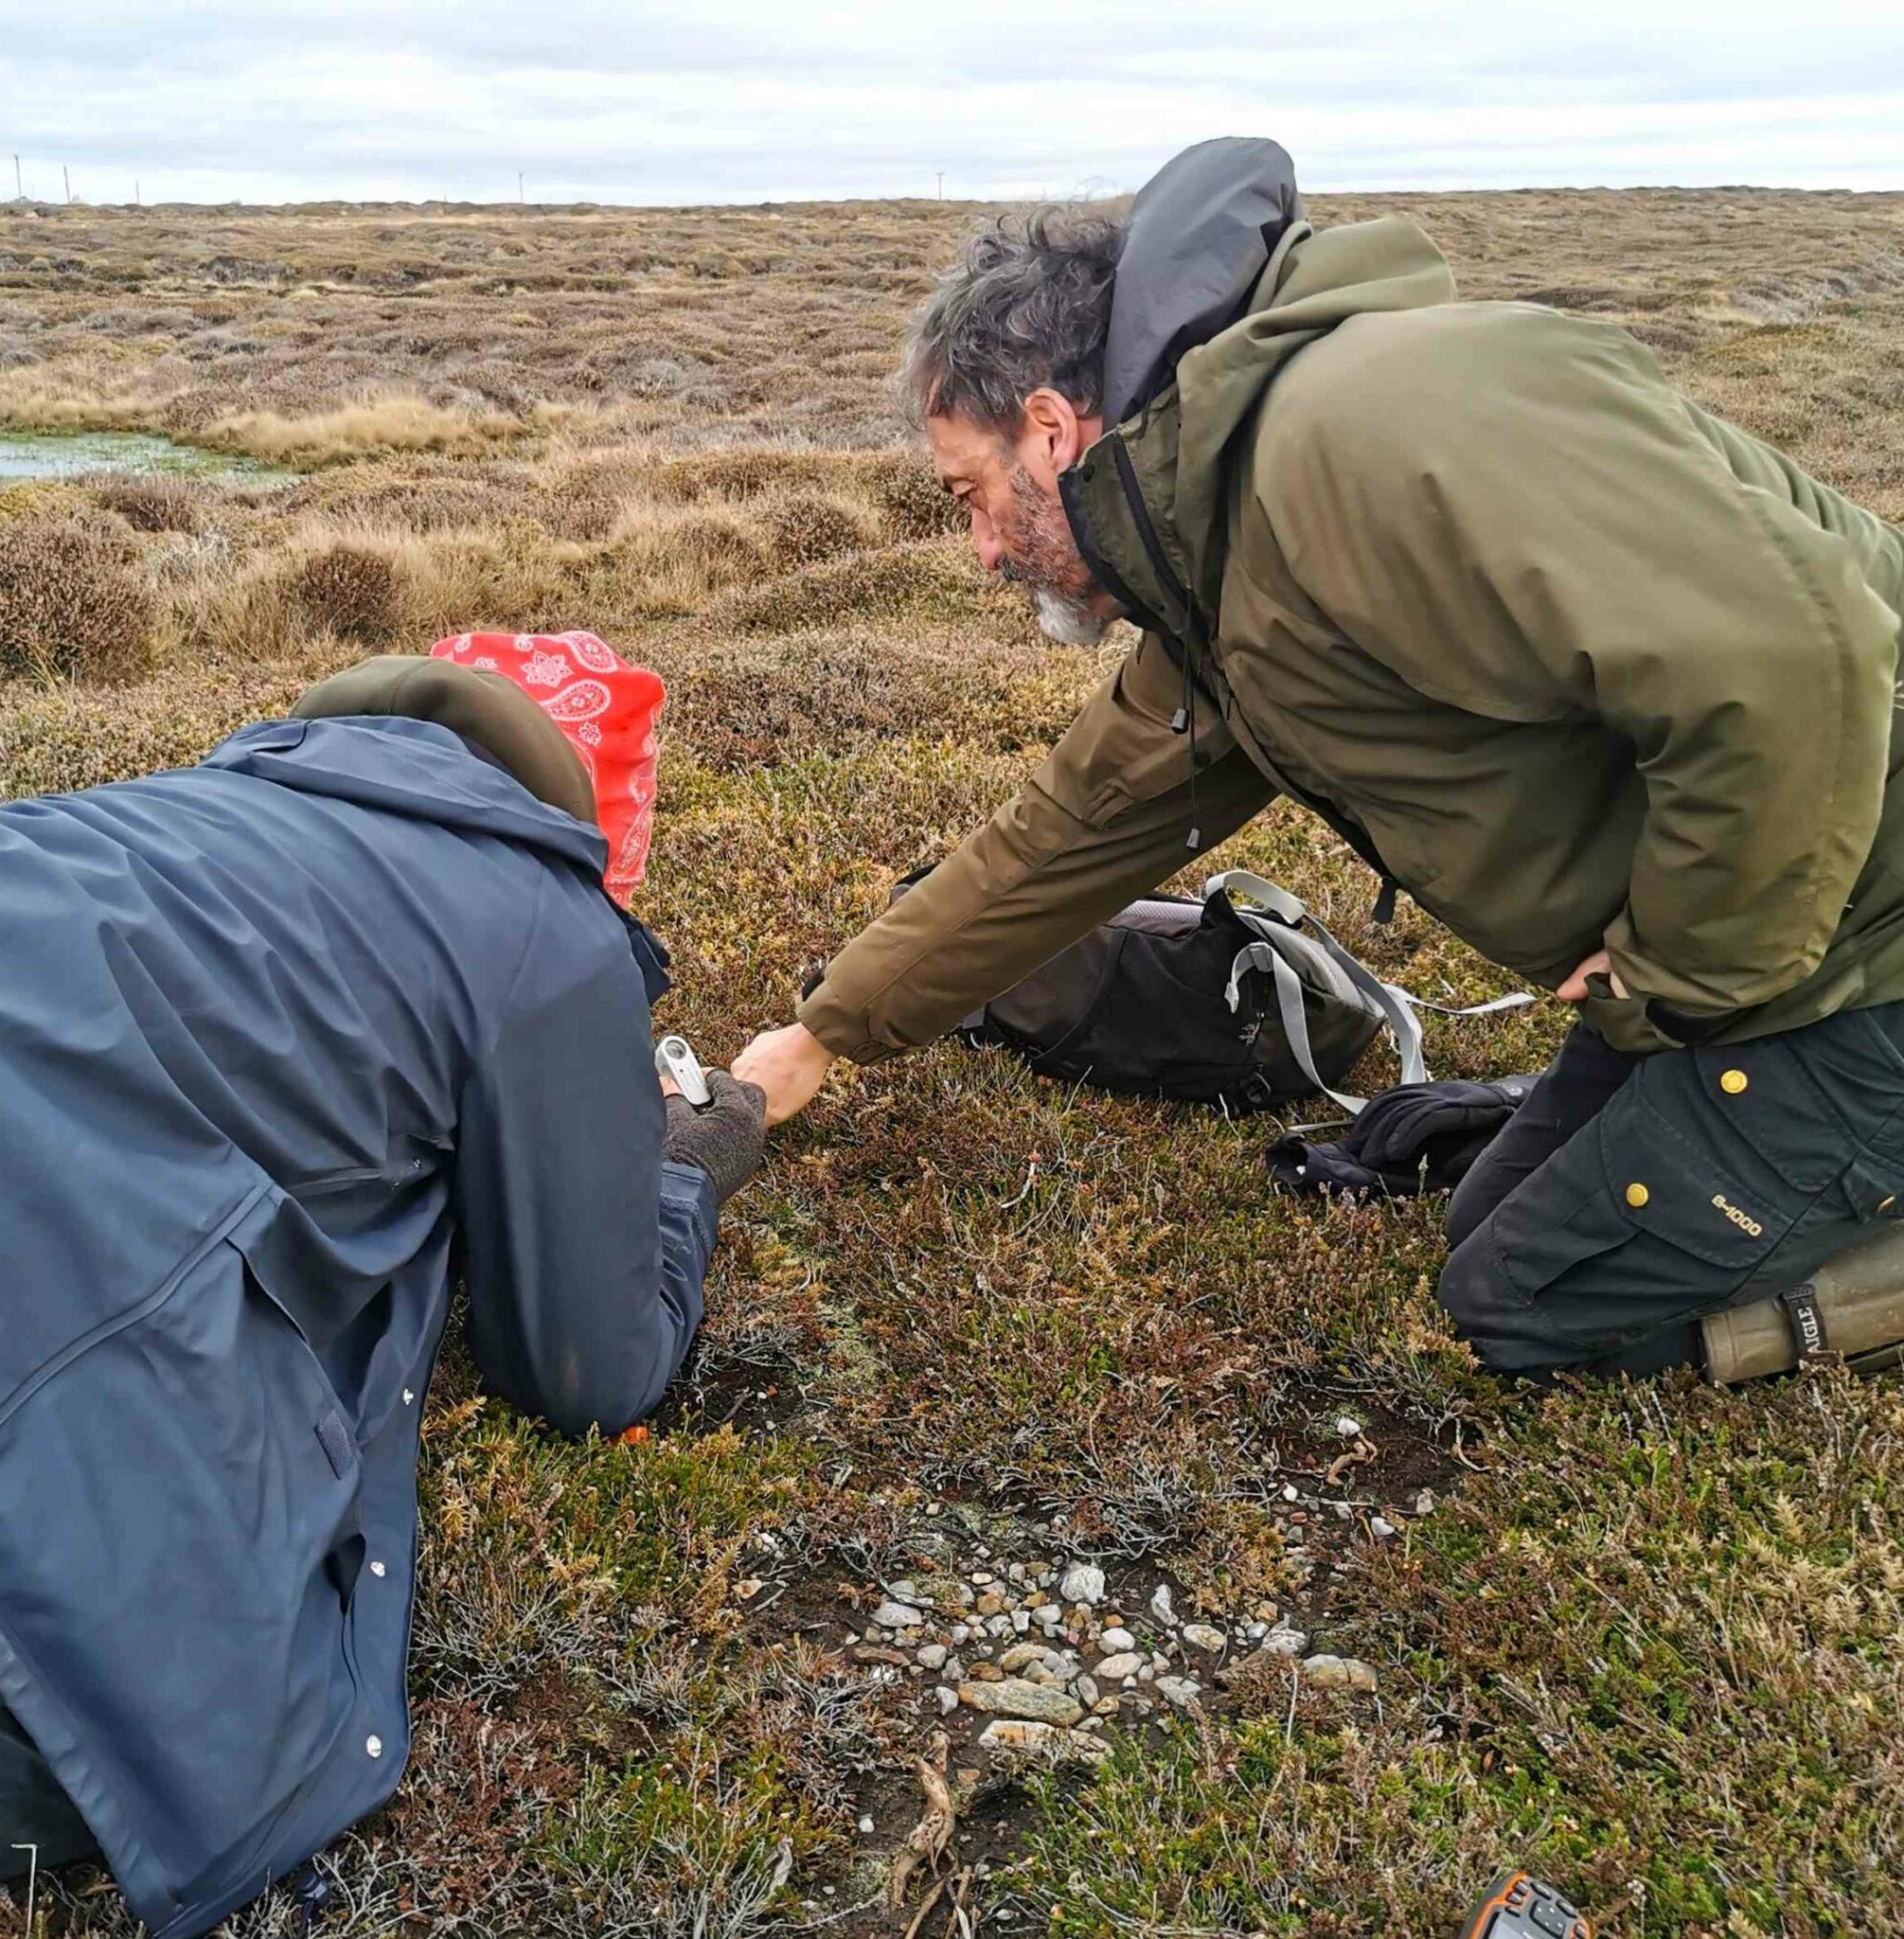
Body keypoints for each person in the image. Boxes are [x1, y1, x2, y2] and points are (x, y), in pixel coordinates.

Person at [734, 134, 1904, 1380]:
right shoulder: (1223, 547)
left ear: (1051, 429)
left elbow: (1796, 653)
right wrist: (822, 1035)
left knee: (1524, 1309)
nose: (981, 552)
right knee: (1486, 1221)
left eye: (970, 495)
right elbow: (1072, 828)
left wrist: (1684, 977)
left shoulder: (1360, 440)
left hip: (1850, 959)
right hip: (1772, 943)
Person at [0, 656, 764, 1933]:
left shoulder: (195, 811)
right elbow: (589, 1367)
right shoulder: (545, 920)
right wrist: (686, 1166)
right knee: (98, 1706)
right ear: (587, 832)